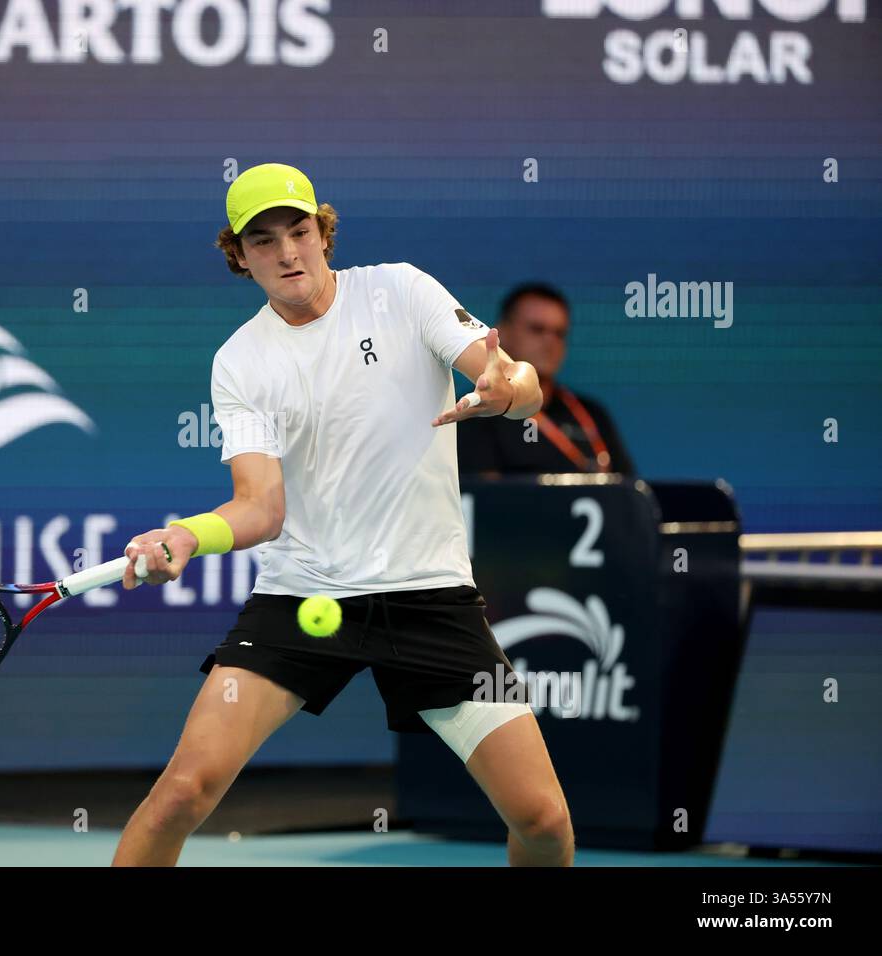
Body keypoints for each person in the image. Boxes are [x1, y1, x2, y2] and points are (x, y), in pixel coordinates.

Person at [112, 163, 574, 867]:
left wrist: (506, 386)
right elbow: (260, 510)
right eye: (263, 241)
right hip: (304, 598)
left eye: (299, 231)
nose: (288, 252)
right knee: (181, 793)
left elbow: (519, 379)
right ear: (239, 256)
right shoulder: (241, 362)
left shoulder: (401, 290)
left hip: (429, 595)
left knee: (542, 820)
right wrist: (187, 536)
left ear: (323, 232)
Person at [457, 284, 635, 477]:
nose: (550, 342)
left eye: (559, 334)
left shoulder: (592, 415)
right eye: (537, 329)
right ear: (501, 333)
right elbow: (482, 497)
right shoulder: (476, 414)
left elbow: (628, 493)